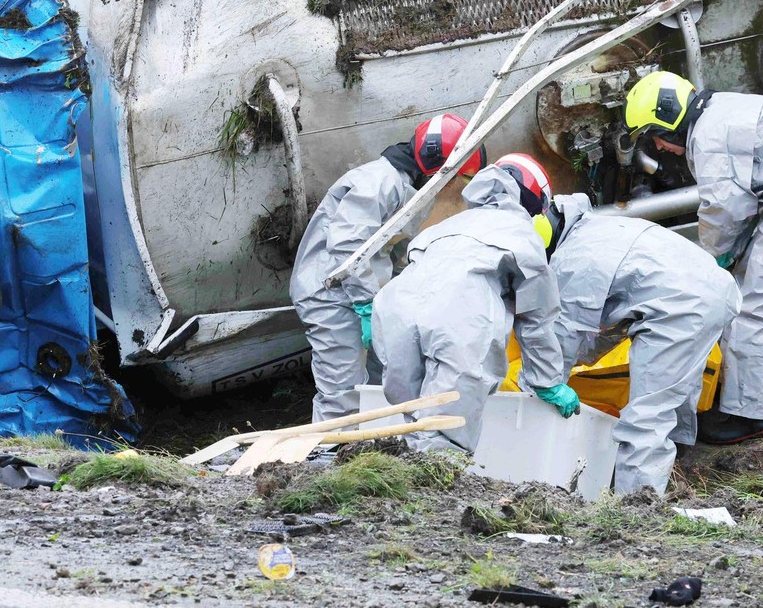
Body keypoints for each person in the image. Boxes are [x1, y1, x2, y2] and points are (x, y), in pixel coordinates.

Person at [623, 71, 763, 444]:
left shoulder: (709, 138)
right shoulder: (717, 112)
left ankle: (751, 415)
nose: (659, 148)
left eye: (656, 136)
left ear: (670, 121)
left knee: (755, 304)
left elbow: (724, 211)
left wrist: (706, 264)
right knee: (742, 288)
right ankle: (738, 387)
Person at [371, 155, 578, 452]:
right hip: (461, 316)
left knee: (413, 419)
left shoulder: (448, 225)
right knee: (444, 435)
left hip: (396, 308)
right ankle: (435, 495)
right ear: (534, 201)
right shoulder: (522, 236)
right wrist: (547, 381)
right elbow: (536, 320)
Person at [289, 114, 485, 422]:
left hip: (360, 295)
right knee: (344, 392)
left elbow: (389, 249)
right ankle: (325, 459)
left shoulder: (408, 187)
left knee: (385, 382)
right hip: (331, 294)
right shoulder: (380, 182)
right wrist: (366, 304)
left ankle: (370, 455)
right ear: (440, 169)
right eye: (458, 177)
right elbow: (347, 247)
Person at [545, 193, 740, 494]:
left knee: (648, 414)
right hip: (711, 290)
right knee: (674, 393)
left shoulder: (571, 260)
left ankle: (637, 506)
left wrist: (544, 383)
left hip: (681, 307)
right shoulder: (597, 229)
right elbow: (601, 328)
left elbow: (568, 333)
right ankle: (675, 471)